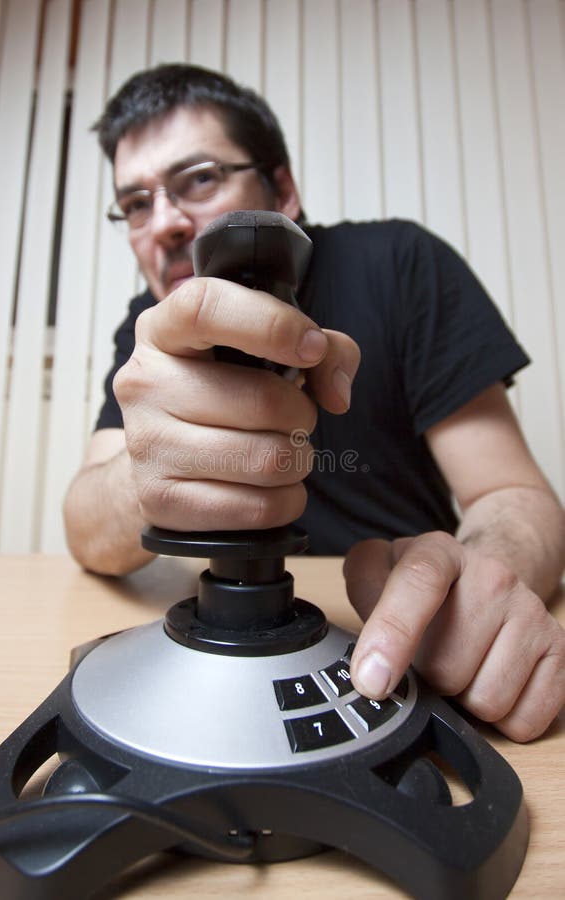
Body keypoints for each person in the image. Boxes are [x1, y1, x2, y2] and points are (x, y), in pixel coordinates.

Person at [63, 63, 565, 743]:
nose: (168, 223)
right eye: (138, 203)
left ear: (285, 188)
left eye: (200, 180)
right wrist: (142, 477)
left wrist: (477, 578)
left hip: (395, 643)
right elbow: (86, 526)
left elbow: (513, 493)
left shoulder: (400, 264)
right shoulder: (146, 322)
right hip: (220, 678)